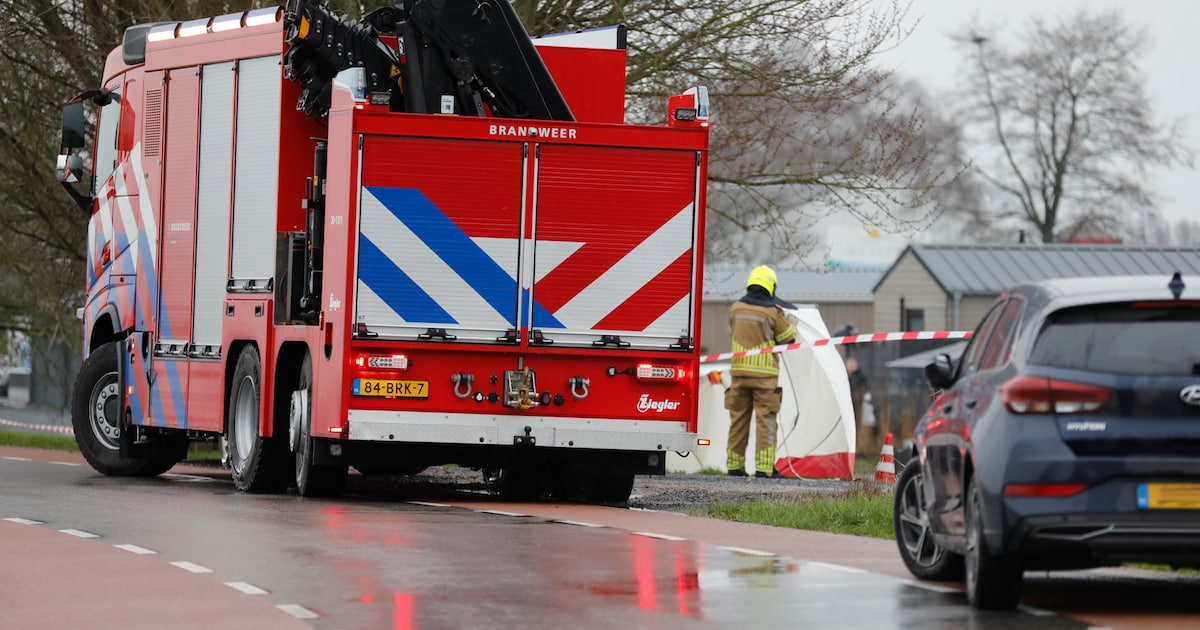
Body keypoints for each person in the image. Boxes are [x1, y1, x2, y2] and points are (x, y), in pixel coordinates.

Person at [725, 265, 797, 478]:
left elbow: (732, 331)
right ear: (771, 286)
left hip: (738, 376)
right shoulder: (772, 312)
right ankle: (764, 469)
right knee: (766, 421)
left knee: (738, 420)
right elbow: (787, 339)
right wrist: (791, 322)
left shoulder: (735, 308)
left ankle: (734, 467)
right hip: (765, 377)